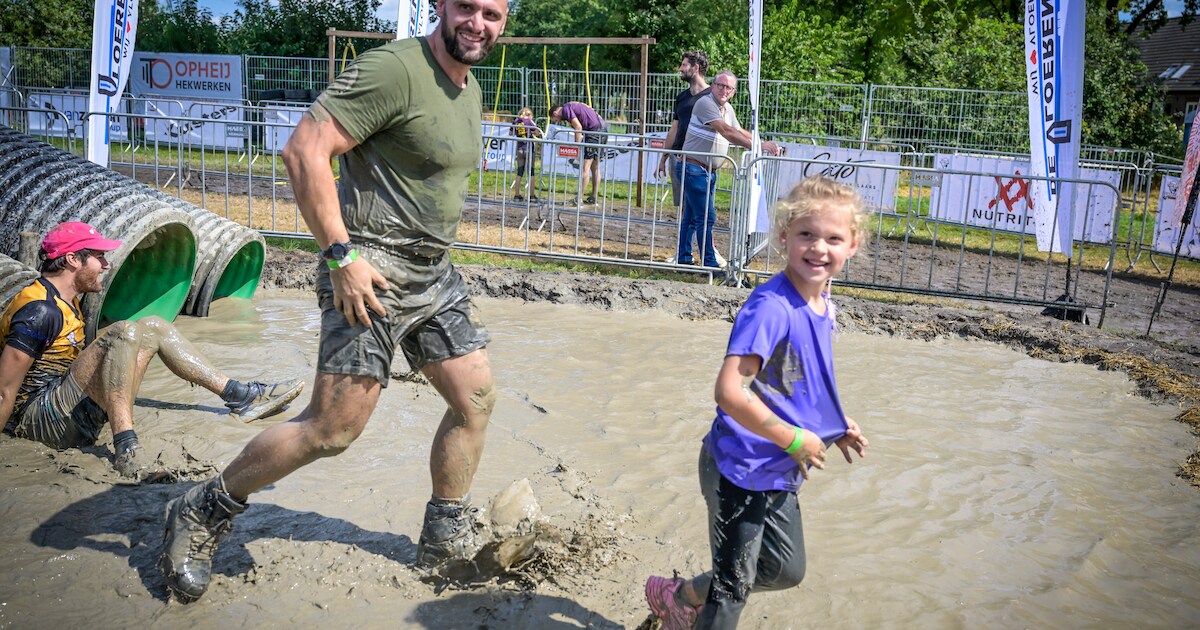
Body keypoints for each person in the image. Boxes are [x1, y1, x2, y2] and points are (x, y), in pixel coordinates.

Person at [157, 0, 508, 604]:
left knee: (474, 397)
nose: (479, 24)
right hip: (368, 268)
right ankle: (200, 508)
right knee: (332, 430)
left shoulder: (470, 87)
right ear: (441, 7)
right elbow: (304, 150)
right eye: (467, 9)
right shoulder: (394, 69)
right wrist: (341, 258)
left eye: (494, 14)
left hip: (433, 271)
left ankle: (442, 538)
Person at [644, 175, 870, 629]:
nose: (818, 248)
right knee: (732, 591)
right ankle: (692, 604)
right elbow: (729, 391)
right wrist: (792, 439)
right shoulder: (770, 307)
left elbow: (796, 379)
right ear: (784, 236)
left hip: (778, 469)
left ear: (853, 245)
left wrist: (833, 424)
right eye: (806, 234)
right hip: (739, 469)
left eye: (833, 238)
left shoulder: (823, 299)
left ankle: (679, 595)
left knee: (784, 570)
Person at [0, 222, 303, 480]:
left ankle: (241, 395)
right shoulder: (39, 311)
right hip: (41, 422)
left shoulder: (67, 301)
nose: (106, 265)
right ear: (72, 261)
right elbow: (4, 390)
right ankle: (127, 447)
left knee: (154, 325)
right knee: (122, 331)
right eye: (99, 257)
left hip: (64, 405)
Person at [676, 70, 783, 269]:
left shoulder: (727, 108)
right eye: (720, 85)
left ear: (733, 91)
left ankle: (684, 258)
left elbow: (739, 130)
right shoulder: (705, 103)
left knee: (692, 217)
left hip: (705, 170)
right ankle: (709, 262)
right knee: (706, 217)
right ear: (713, 85)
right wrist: (758, 147)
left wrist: (761, 142)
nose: (724, 90)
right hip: (693, 168)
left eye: (728, 87)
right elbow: (727, 132)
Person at [655, 50, 711, 207]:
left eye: (684, 65)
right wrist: (664, 158)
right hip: (678, 158)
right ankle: (683, 232)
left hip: (699, 161)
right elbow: (674, 129)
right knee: (683, 206)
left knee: (698, 208)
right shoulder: (682, 97)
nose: (680, 68)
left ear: (696, 68)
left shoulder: (711, 97)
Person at [550, 100, 606, 206]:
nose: (558, 122)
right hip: (602, 130)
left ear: (555, 113)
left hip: (593, 133)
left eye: (555, 120)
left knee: (585, 167)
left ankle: (579, 199)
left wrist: (577, 146)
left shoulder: (566, 109)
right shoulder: (573, 105)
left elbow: (578, 127)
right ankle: (593, 197)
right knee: (595, 167)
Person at [509, 106, 543, 202]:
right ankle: (532, 195)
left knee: (520, 172)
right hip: (528, 148)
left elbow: (510, 133)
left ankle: (517, 195)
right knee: (531, 172)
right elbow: (537, 132)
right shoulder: (529, 121)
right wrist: (531, 132)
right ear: (529, 115)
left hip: (519, 148)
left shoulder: (516, 121)